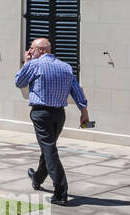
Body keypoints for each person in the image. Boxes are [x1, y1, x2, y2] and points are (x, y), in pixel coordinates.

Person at [14, 37, 90, 205]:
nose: (30, 52)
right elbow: (76, 91)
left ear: (41, 50)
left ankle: (61, 191)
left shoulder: (35, 65)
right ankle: (37, 178)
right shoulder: (66, 66)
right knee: (48, 148)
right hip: (59, 115)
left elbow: (19, 82)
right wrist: (84, 111)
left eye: (32, 49)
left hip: (41, 113)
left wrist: (26, 62)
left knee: (49, 150)